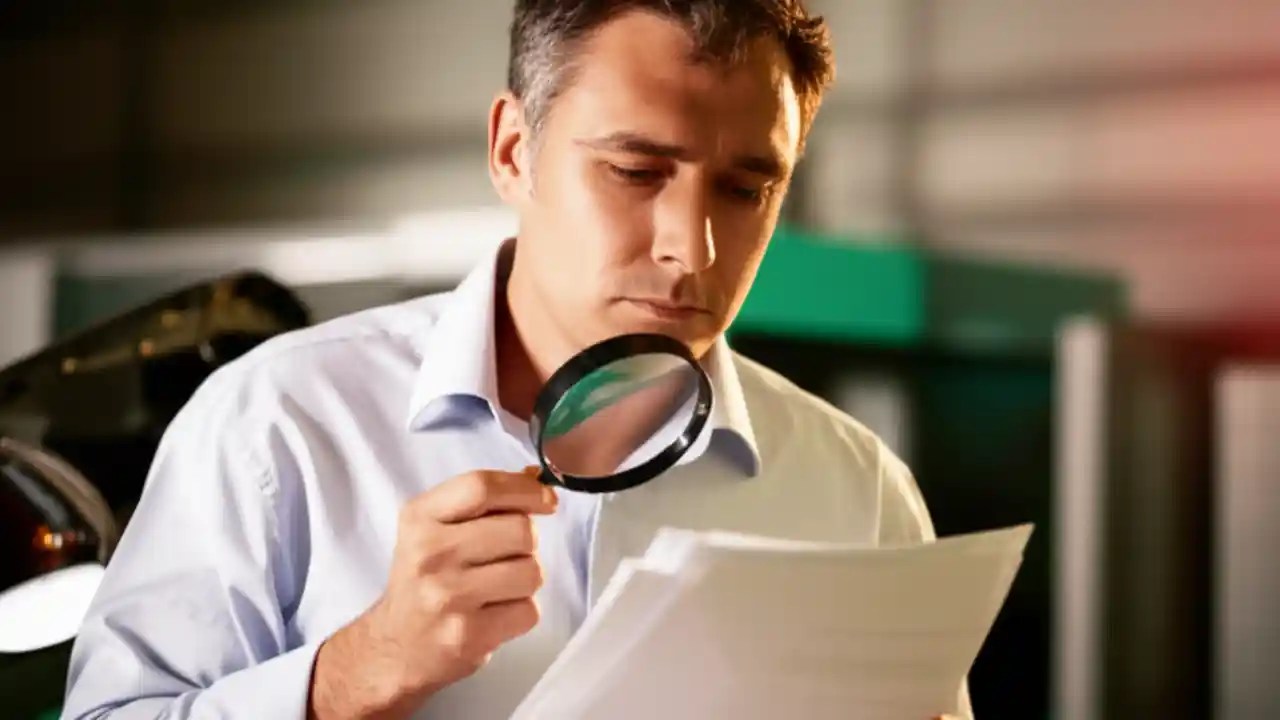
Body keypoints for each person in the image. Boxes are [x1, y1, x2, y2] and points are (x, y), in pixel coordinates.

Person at [64, 1, 972, 718]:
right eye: (634, 171)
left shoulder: (858, 491)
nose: (691, 249)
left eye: (746, 189)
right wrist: (353, 673)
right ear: (512, 150)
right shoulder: (280, 425)